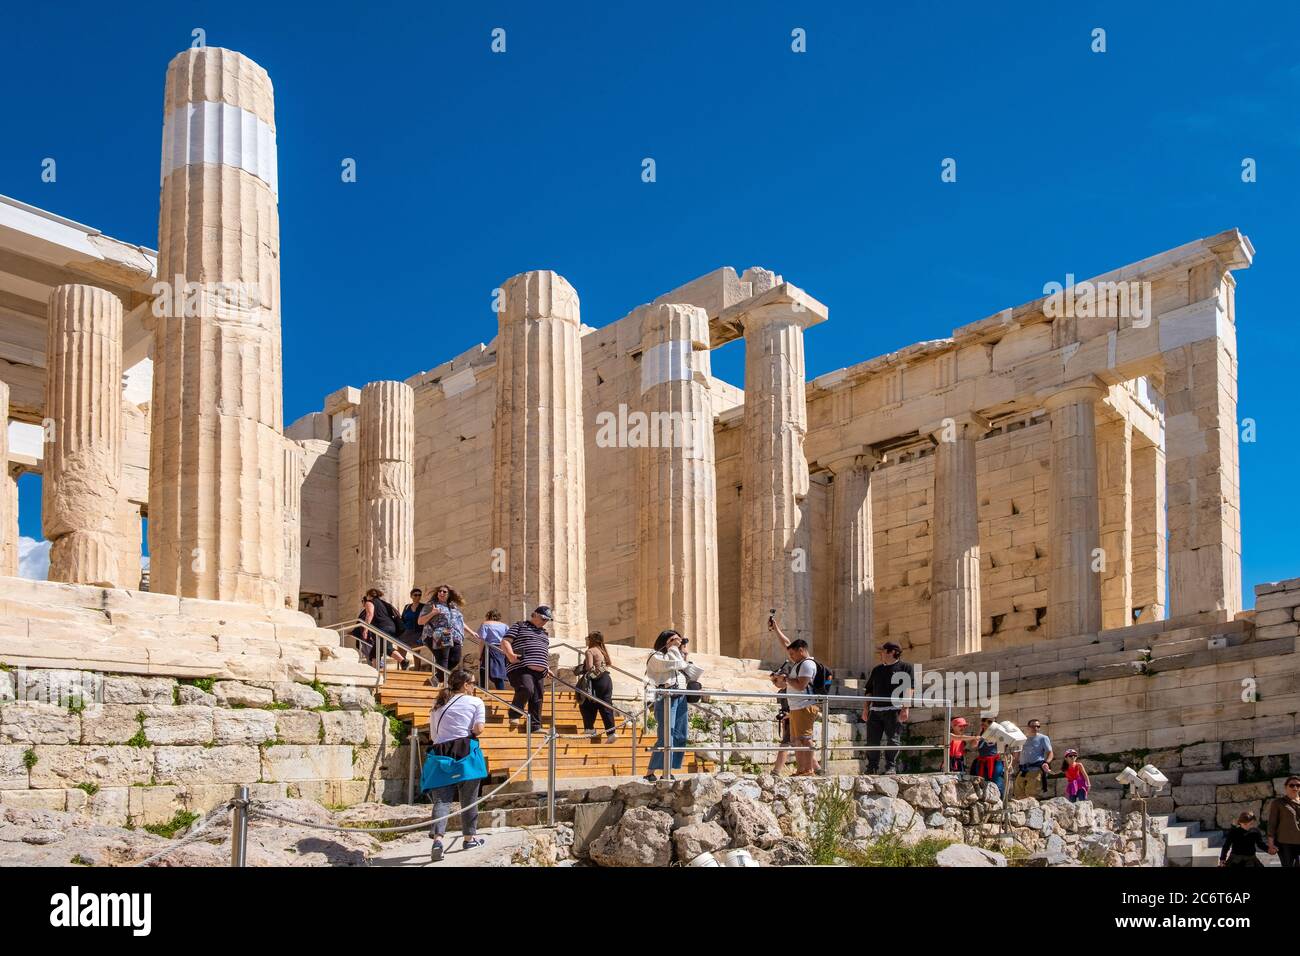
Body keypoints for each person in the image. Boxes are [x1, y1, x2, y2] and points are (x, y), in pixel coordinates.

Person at [426, 669, 487, 861]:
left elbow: (433, 736)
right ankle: (469, 838)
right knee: (469, 798)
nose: (475, 686)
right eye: (474, 683)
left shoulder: (438, 704)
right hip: (465, 750)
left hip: (441, 753)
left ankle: (438, 840)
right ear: (466, 685)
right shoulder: (476, 702)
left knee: (441, 801)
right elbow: (479, 729)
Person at [860, 642, 914, 774]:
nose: (881, 654)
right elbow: (869, 690)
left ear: (892, 652)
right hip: (876, 711)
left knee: (893, 740)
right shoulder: (877, 669)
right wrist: (866, 708)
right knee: (872, 741)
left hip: (894, 710)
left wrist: (905, 708)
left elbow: (909, 688)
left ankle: (891, 766)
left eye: (883, 651)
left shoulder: (906, 667)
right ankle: (872, 767)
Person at [644, 629, 690, 781]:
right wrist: (673, 649)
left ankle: (669, 768)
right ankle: (653, 771)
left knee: (680, 735)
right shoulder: (655, 656)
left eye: (679, 639)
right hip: (665, 696)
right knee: (666, 736)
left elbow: (684, 667)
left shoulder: (677, 653)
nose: (678, 642)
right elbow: (674, 664)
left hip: (680, 696)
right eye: (674, 639)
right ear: (665, 640)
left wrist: (682, 652)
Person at [501, 606, 552, 733]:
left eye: (548, 619)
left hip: (540, 670)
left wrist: (547, 666)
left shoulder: (544, 633)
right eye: (543, 618)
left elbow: (542, 651)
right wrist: (511, 656)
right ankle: (514, 713)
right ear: (534, 614)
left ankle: (535, 726)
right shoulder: (520, 625)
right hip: (521, 666)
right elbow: (505, 641)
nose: (545, 621)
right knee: (527, 688)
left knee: (537, 697)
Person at [418, 585, 478, 685]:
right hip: (440, 633)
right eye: (440, 591)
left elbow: (459, 621)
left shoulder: (453, 606)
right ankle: (445, 684)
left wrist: (471, 631)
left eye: (444, 592)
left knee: (456, 659)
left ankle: (436, 679)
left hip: (455, 636)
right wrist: (433, 613)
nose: (441, 593)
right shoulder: (432, 605)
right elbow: (420, 621)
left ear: (449, 594)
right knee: (443, 659)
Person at [777, 639, 821, 776]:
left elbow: (801, 685)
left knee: (805, 738)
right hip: (796, 707)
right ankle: (801, 769)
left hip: (804, 706)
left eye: (792, 653)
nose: (791, 657)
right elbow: (792, 685)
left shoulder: (807, 664)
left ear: (801, 650)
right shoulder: (799, 664)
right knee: (797, 740)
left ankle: (808, 769)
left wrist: (786, 679)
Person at [577, 631, 617, 742]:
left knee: (584, 702)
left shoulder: (589, 651)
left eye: (587, 638)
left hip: (597, 680)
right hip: (607, 679)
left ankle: (589, 728)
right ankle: (611, 733)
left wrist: (581, 669)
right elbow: (608, 663)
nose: (586, 640)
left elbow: (590, 667)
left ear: (592, 639)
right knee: (605, 705)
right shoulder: (602, 650)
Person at [359, 588, 406, 670]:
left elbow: (370, 614)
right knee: (384, 648)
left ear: (369, 595)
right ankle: (403, 661)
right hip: (392, 628)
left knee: (377, 651)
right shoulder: (385, 603)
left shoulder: (369, 602)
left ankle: (376, 673)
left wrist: (365, 630)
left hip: (382, 628)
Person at [1013, 719, 1053, 799]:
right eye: (1033, 726)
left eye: (1037, 726)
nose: (1035, 728)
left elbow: (1050, 753)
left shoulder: (1043, 738)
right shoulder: (1022, 739)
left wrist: (1046, 763)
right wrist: (1011, 766)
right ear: (1028, 727)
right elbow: (1017, 755)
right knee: (1018, 793)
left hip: (1036, 769)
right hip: (1023, 770)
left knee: (1031, 794)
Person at [769, 658, 795, 776]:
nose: (774, 682)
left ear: (785, 677)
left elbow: (799, 708)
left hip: (795, 719)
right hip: (789, 720)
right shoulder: (781, 692)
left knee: (785, 744)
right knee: (800, 744)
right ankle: (817, 768)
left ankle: (776, 771)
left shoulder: (793, 691)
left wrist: (789, 715)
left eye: (775, 680)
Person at [1267, 775, 1300, 867]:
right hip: (1285, 843)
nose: (1295, 787)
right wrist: (1271, 844)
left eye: (1298, 785)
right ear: (1286, 787)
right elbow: (1272, 824)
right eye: (1292, 785)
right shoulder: (1278, 803)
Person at [971, 717, 1006, 796]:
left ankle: (1000, 801)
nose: (987, 724)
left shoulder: (998, 733)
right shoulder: (980, 734)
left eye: (990, 722)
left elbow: (1001, 749)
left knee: (997, 781)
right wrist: (979, 732)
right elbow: (973, 745)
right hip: (982, 761)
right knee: (982, 781)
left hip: (995, 761)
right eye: (984, 721)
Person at [478, 610, 508, 691]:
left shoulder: (485, 624)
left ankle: (483, 689)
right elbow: (508, 639)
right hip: (501, 649)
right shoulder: (504, 626)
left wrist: (479, 655)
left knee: (484, 669)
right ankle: (500, 690)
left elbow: (482, 640)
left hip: (489, 648)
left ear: (488, 616)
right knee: (498, 670)